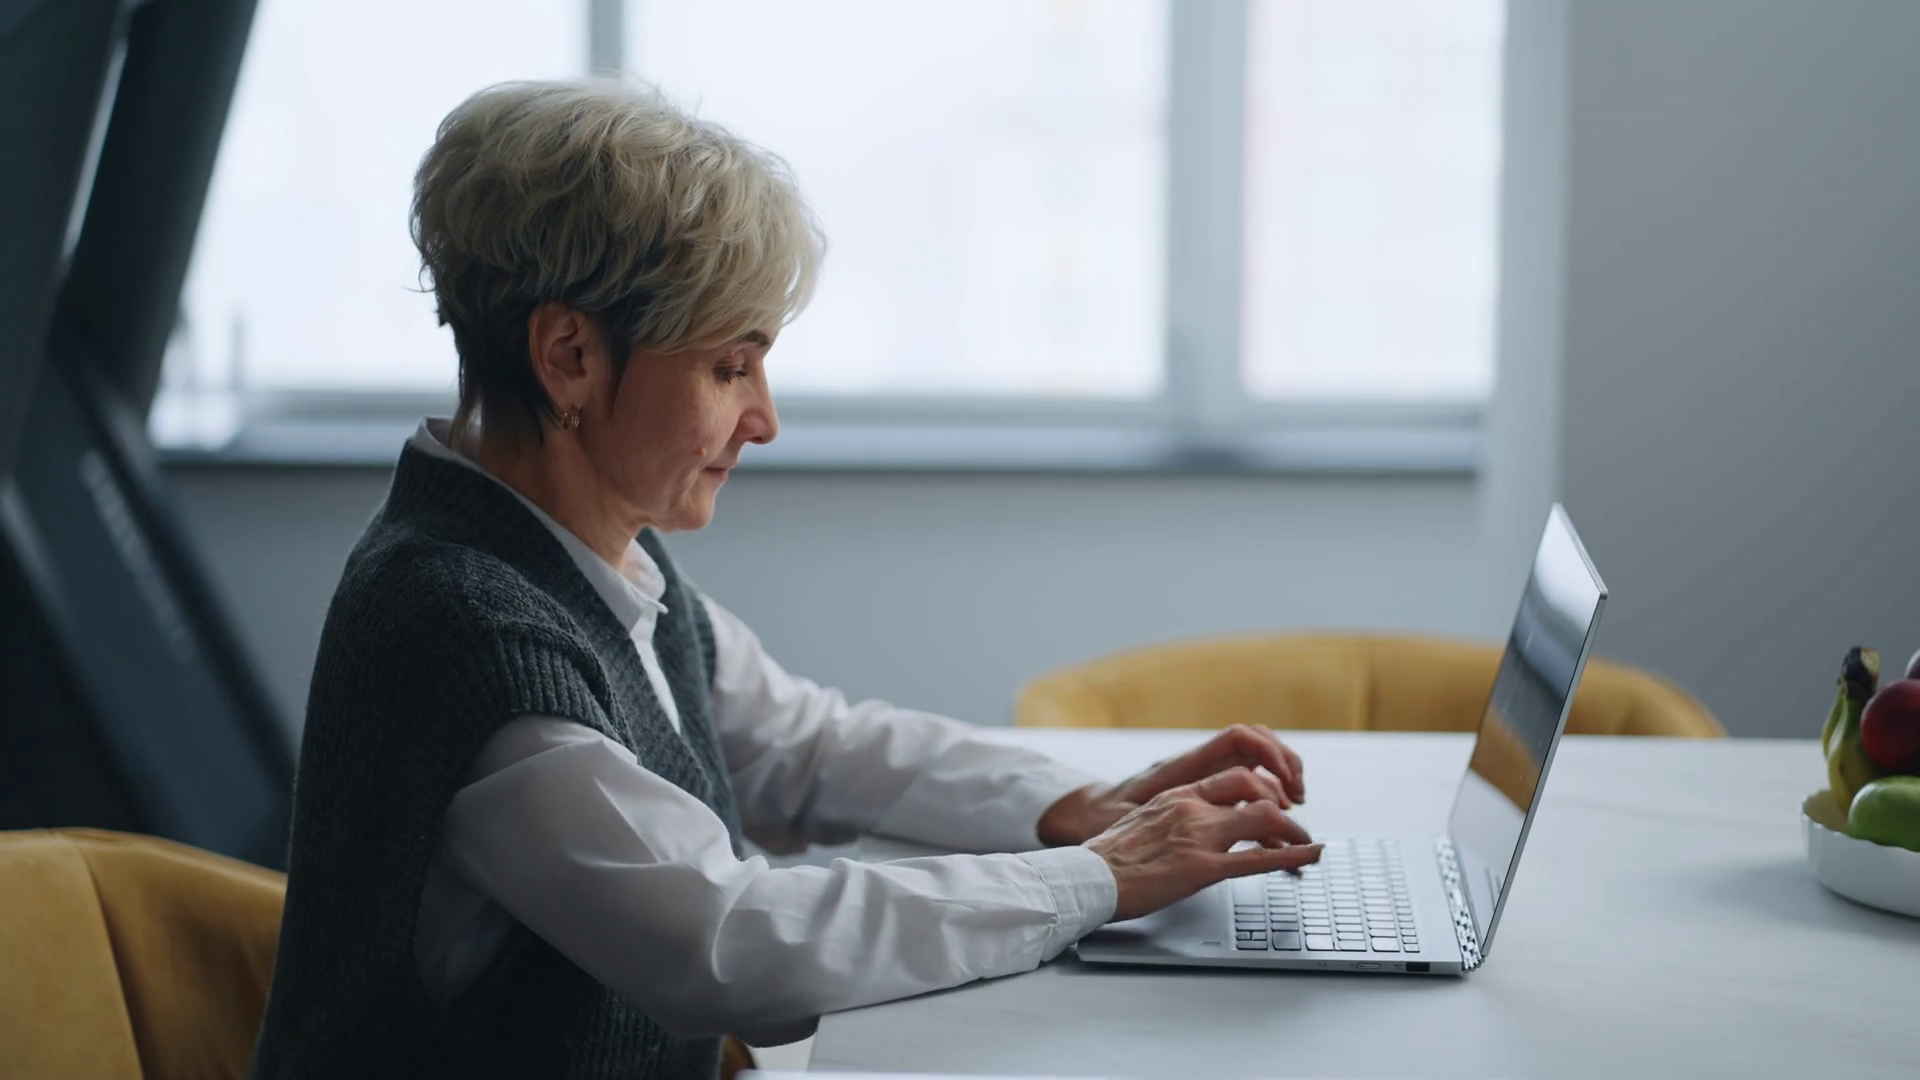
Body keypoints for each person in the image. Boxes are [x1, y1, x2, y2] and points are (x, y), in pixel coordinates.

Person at [250, 79, 1322, 1079]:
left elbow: (809, 747)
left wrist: (1076, 809)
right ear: (570, 355)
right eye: (729, 367)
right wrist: (1104, 878)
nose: (763, 419)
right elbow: (727, 944)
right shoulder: (471, 629)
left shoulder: (588, 553)